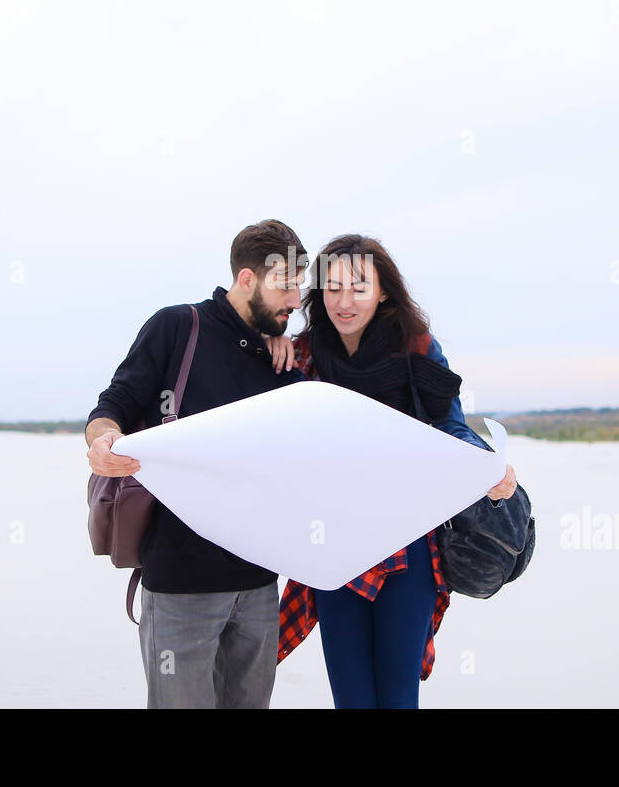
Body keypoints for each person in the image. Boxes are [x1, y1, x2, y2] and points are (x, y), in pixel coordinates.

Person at [269, 234, 517, 709]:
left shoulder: (417, 349)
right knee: (352, 698)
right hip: (333, 548)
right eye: (333, 287)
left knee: (398, 697)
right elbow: (264, 432)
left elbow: (450, 424)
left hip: (409, 544)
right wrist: (266, 338)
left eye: (359, 286)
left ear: (383, 291)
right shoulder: (301, 357)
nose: (345, 301)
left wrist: (486, 467)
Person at [85, 219, 308, 708]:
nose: (295, 300)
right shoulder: (177, 327)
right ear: (247, 279)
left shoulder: (280, 361)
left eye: (299, 285)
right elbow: (115, 403)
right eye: (286, 286)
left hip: (259, 585)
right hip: (180, 584)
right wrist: (103, 441)